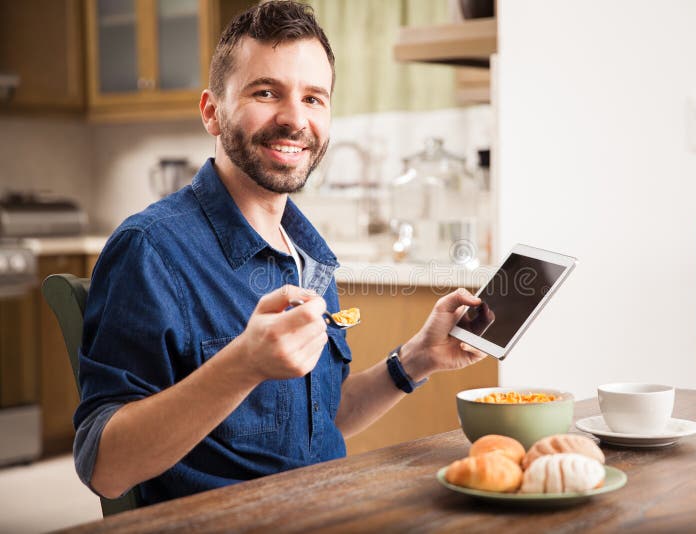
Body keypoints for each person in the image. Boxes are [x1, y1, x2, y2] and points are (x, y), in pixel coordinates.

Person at [73, 0, 487, 506]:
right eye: (266, 92)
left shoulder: (309, 256)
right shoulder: (152, 249)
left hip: (324, 510)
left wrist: (416, 359)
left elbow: (315, 426)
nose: (294, 119)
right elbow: (105, 467)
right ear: (211, 111)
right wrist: (242, 365)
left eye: (314, 98)